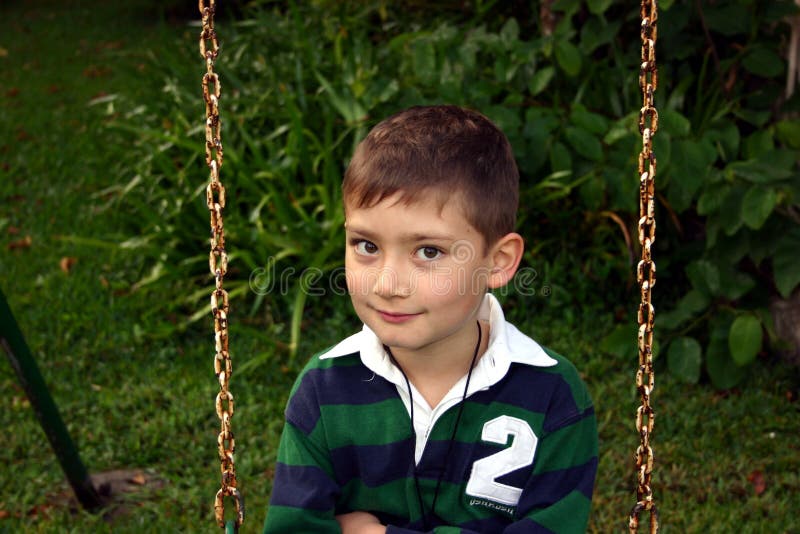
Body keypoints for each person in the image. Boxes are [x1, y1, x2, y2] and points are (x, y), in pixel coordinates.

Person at [263, 105, 598, 533]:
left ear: (497, 262)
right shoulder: (325, 390)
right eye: (366, 245)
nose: (387, 283)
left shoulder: (553, 398)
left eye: (428, 252)